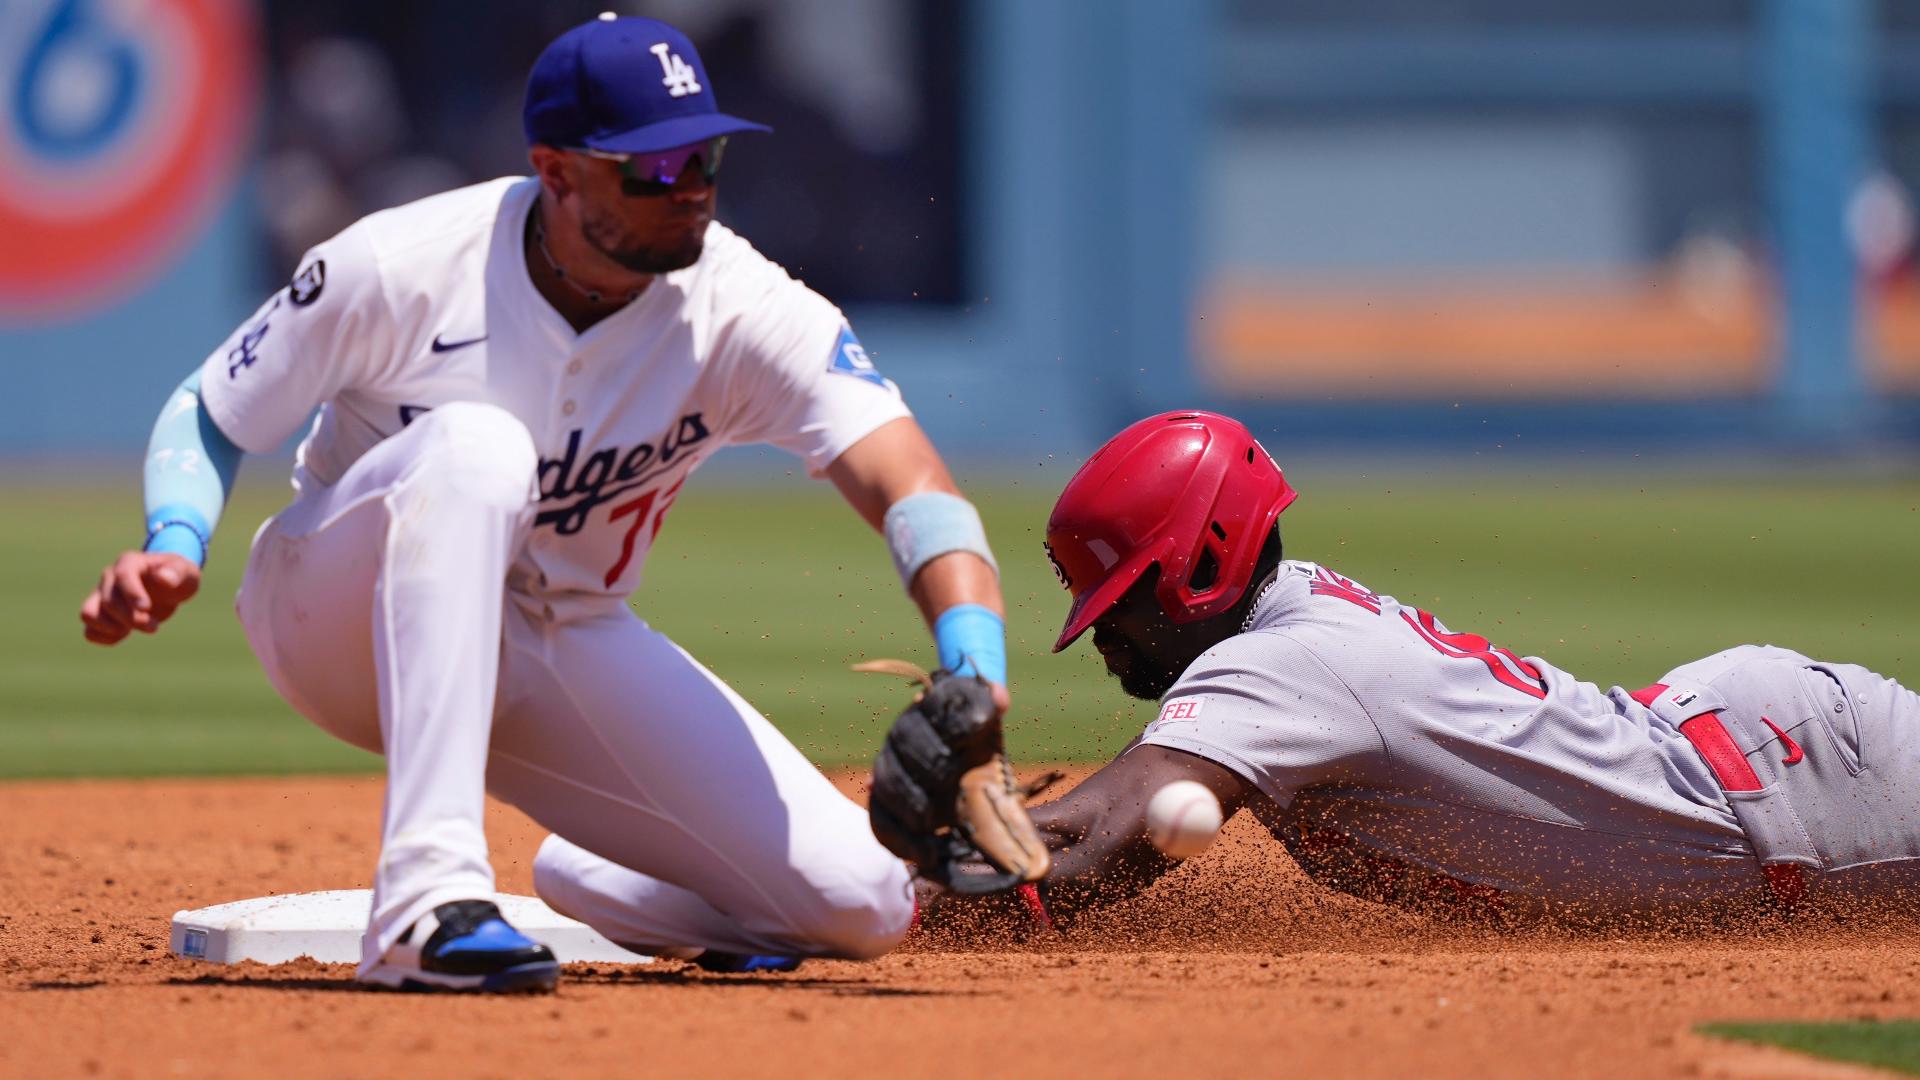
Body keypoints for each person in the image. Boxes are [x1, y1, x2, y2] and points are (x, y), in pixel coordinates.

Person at [77, 14, 1010, 992]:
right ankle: (426, 903)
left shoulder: (744, 307)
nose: (690, 188)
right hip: (337, 617)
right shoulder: (401, 264)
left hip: (562, 632)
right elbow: (214, 405)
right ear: (556, 172)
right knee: (478, 448)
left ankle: (600, 877)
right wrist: (175, 537)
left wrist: (975, 663)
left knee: (863, 902)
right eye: (654, 167)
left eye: (705, 157)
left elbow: (911, 482)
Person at [920, 410, 1920, 931]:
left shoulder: (1283, 664)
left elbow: (1099, 842)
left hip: (1799, 776)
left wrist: (890, 890)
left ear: (1206, 561)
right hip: (1748, 764)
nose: (1103, 635)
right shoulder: (1285, 635)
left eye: (1122, 601)